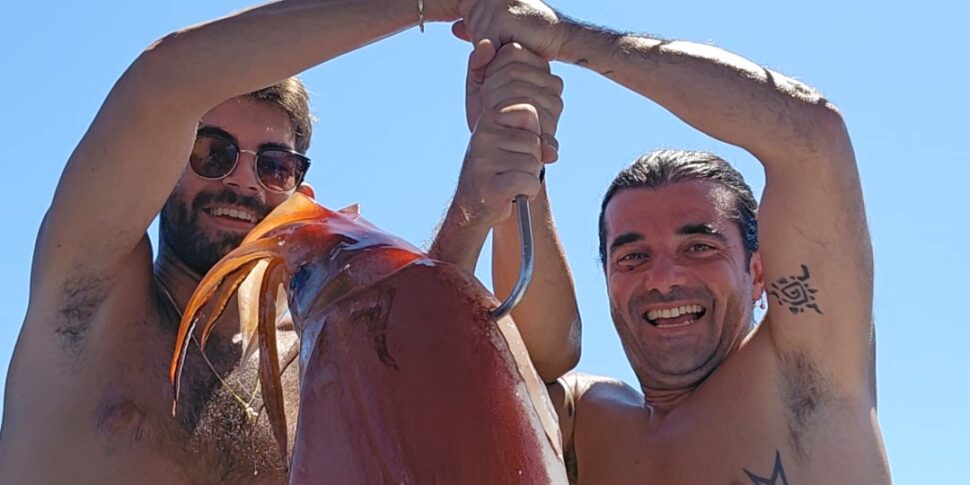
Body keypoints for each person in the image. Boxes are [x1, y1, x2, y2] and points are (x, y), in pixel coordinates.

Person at [0, 1, 579, 483]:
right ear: (164, 162)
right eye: (212, 151)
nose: (243, 180)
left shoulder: (313, 351)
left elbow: (422, 378)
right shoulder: (88, 297)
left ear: (299, 184)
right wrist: (432, 5)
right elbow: (165, 80)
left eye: (274, 165)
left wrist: (483, 195)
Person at [453, 1, 892, 483]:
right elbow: (541, 356)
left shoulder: (806, 372)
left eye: (699, 247)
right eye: (633, 256)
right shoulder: (583, 422)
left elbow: (811, 136)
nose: (662, 278)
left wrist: (564, 39)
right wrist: (519, 148)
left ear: (759, 272)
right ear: (607, 283)